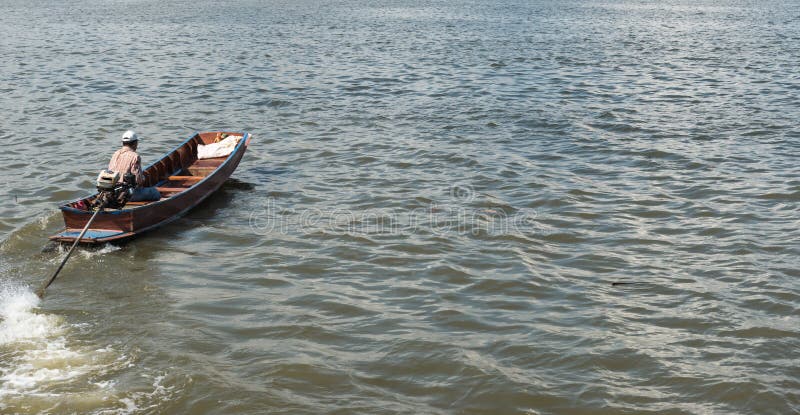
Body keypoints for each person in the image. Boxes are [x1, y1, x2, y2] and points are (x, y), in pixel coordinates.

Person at [108, 130, 161, 202]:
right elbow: (138, 180)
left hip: (112, 193)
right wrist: (143, 178)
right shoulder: (135, 156)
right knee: (155, 192)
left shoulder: (115, 154)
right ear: (135, 143)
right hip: (128, 194)